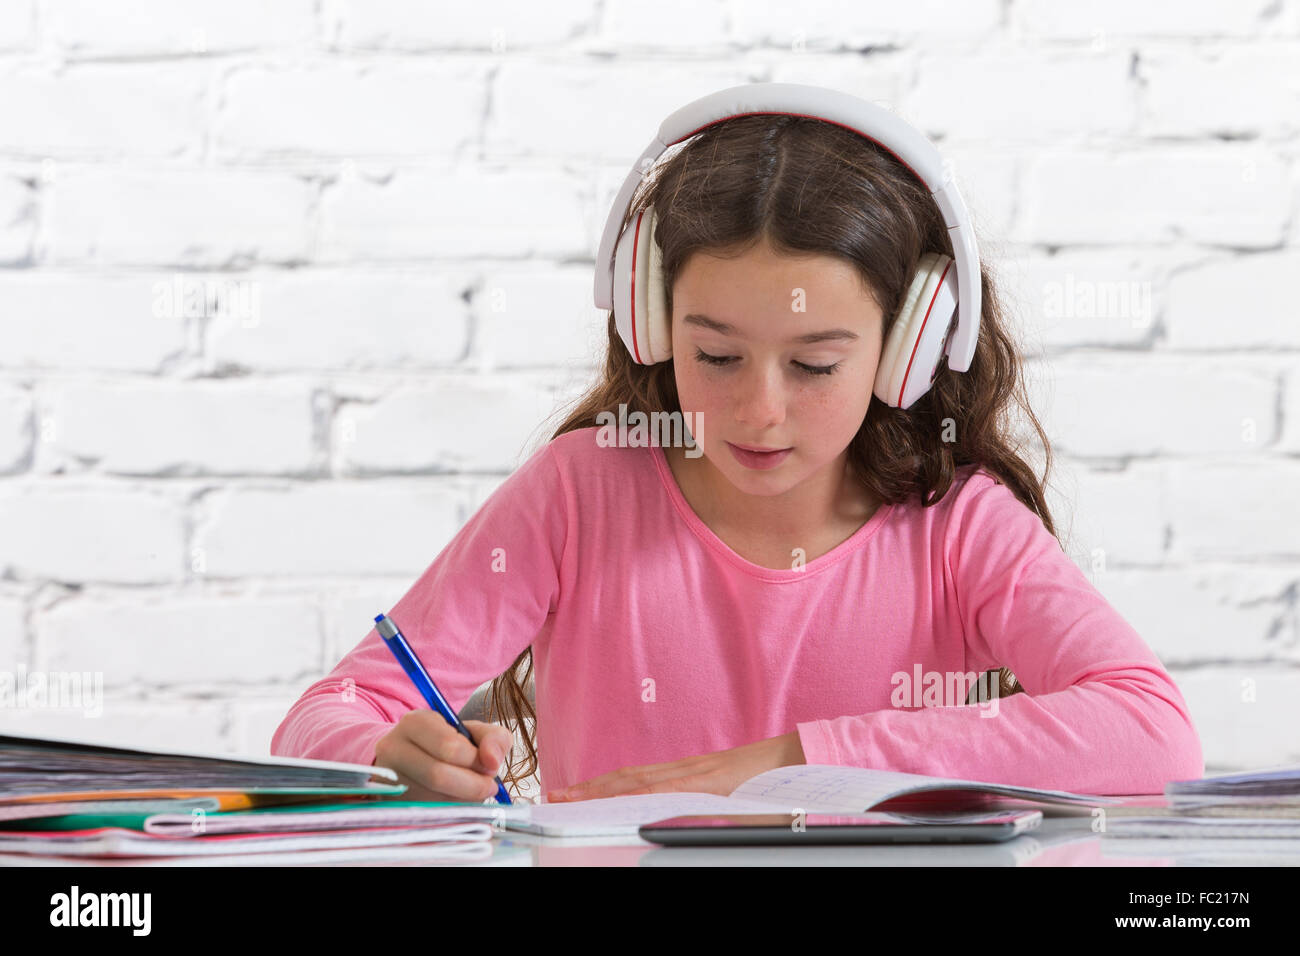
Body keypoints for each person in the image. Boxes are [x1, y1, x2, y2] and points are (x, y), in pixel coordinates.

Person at [271, 87, 1203, 805]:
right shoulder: (579, 494)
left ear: (906, 350)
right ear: (649, 320)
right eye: (715, 355)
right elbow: (323, 717)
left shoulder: (956, 529)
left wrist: (784, 769)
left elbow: (1154, 734)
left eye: (814, 365)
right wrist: (379, 753)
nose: (759, 413)